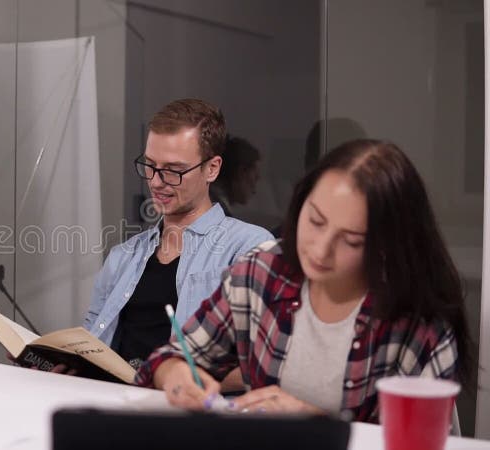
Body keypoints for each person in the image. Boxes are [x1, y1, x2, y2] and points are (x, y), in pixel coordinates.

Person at [136, 139, 474, 423]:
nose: (321, 249)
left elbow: (416, 441)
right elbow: (170, 358)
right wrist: (177, 376)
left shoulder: (417, 319)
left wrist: (312, 425)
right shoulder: (263, 272)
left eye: (351, 240)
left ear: (388, 245)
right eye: (315, 221)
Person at [84, 99, 272, 371]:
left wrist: (171, 376)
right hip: (112, 399)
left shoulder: (249, 248)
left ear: (212, 168)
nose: (156, 181)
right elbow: (91, 339)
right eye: (150, 165)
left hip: (181, 406)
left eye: (173, 171)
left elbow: (261, 363)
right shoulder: (123, 257)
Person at [209, 135, 261, 216]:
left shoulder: (206, 202)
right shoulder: (218, 213)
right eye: (255, 177)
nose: (255, 188)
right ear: (241, 172)